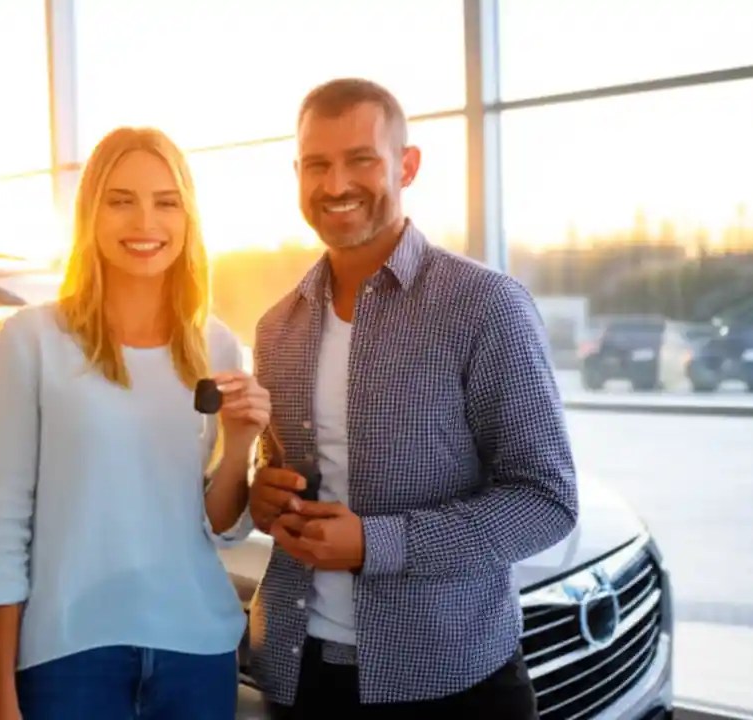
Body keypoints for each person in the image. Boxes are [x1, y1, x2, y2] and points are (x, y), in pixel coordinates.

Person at [246, 77, 579, 719]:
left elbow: (546, 499)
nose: (337, 184)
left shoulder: (484, 306)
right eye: (317, 164)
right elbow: (281, 467)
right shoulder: (276, 327)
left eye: (361, 159)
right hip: (300, 668)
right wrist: (267, 493)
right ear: (297, 174)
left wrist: (378, 544)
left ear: (407, 164)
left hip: (452, 679)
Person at [0, 126, 270, 720]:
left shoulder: (214, 345)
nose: (145, 222)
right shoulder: (32, 340)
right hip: (68, 658)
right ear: (90, 214)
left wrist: (240, 448)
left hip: (196, 652)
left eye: (166, 202)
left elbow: (212, 525)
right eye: (121, 200)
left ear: (187, 220)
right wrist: (0, 695)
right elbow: (7, 520)